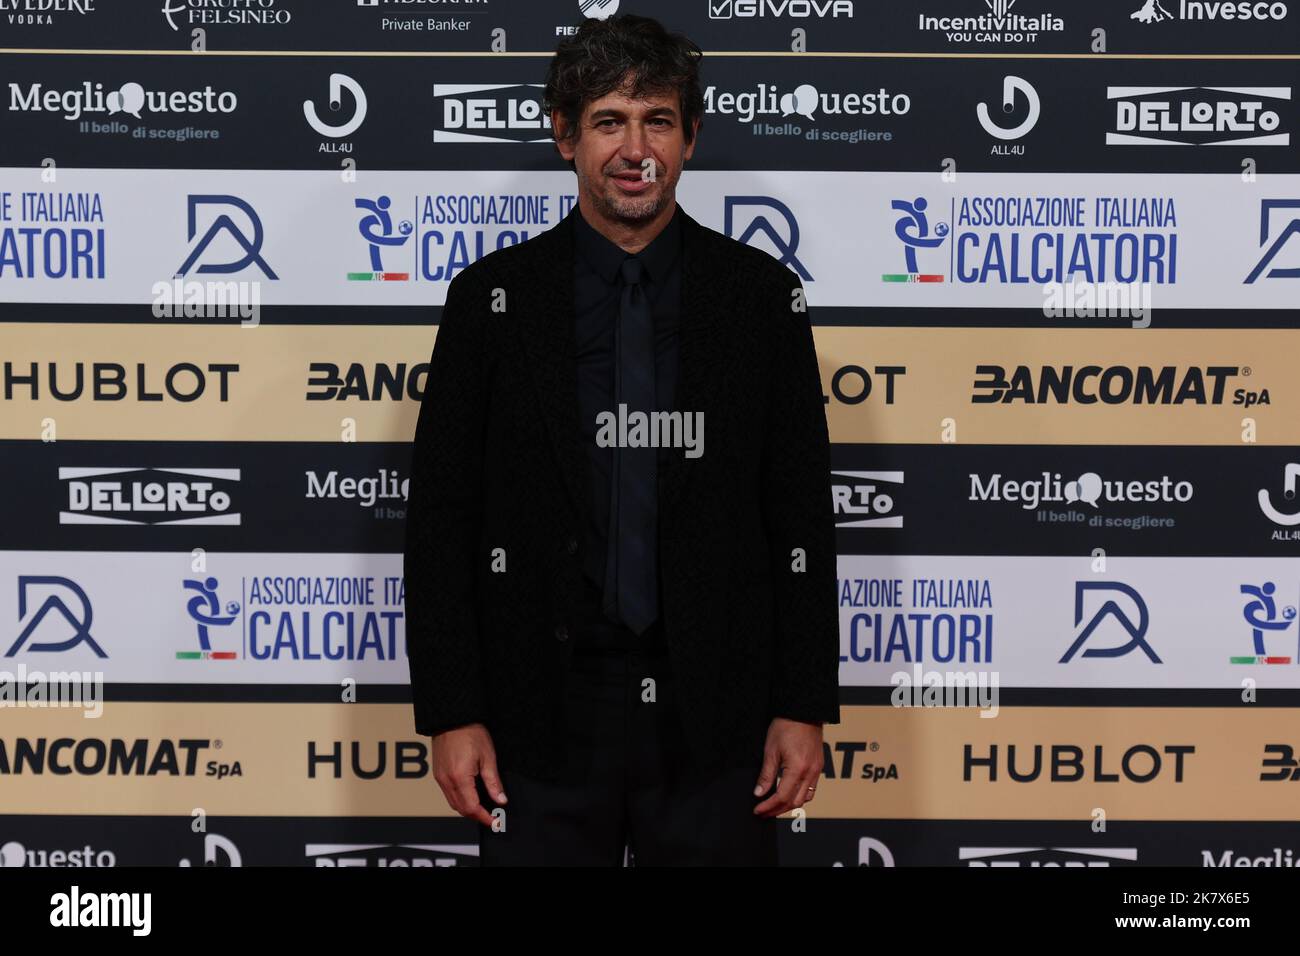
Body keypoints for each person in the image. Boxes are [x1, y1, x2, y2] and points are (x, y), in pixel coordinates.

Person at [404, 13, 839, 866]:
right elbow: (441, 518)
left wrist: (802, 703)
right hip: (540, 714)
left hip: (719, 716)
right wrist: (454, 711)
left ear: (691, 137)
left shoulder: (760, 300)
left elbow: (798, 513)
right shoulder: (491, 301)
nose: (635, 148)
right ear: (565, 136)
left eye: (658, 120)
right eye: (609, 120)